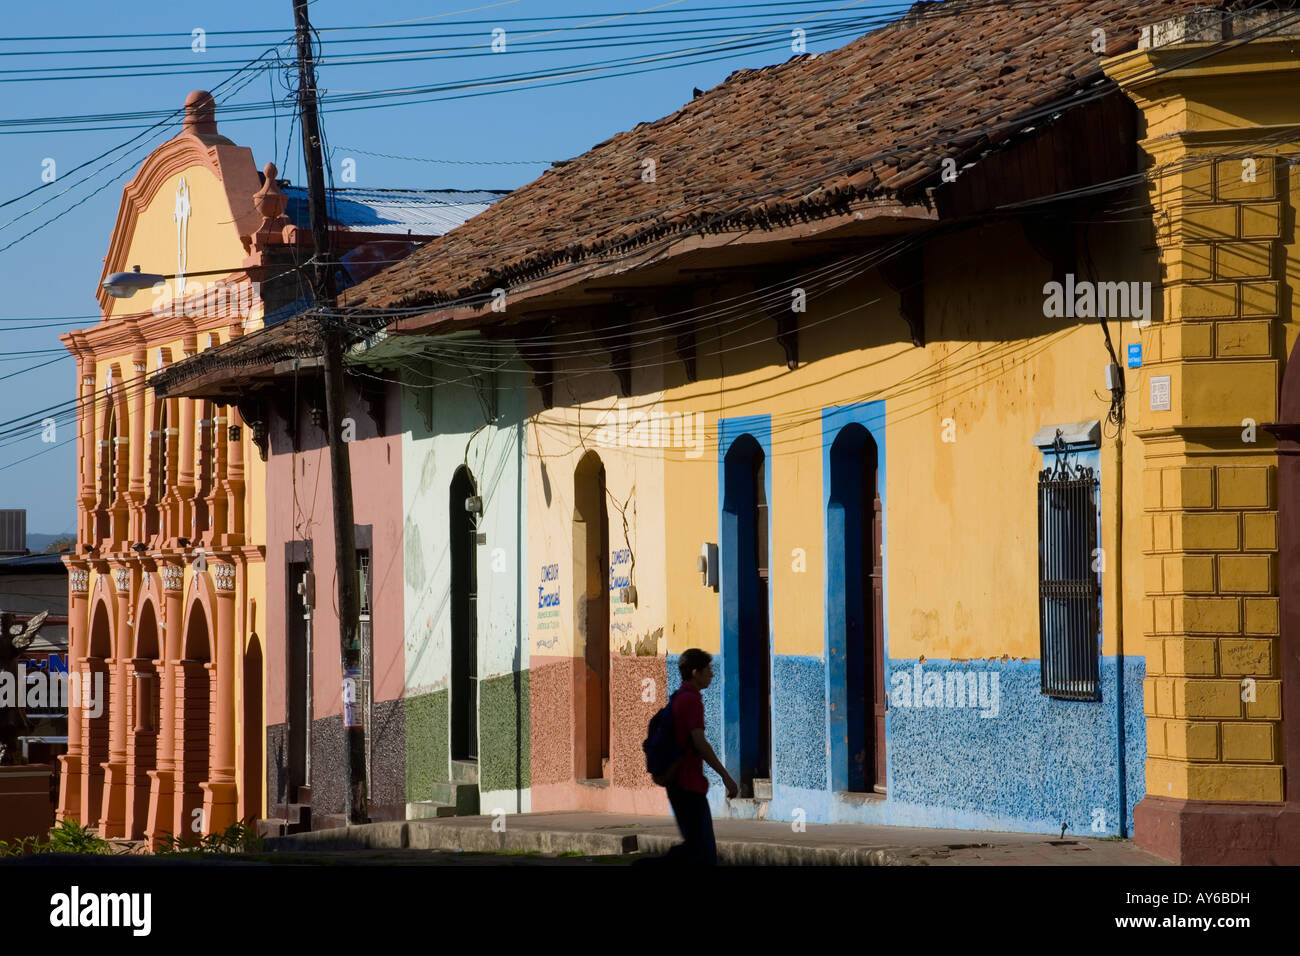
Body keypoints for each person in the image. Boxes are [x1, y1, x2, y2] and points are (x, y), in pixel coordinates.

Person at [663, 648, 739, 865]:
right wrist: (725, 775)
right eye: (708, 670)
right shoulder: (690, 701)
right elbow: (700, 743)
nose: (712, 675)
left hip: (681, 784)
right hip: (688, 785)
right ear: (696, 673)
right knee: (704, 852)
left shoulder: (680, 697)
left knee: (697, 848)